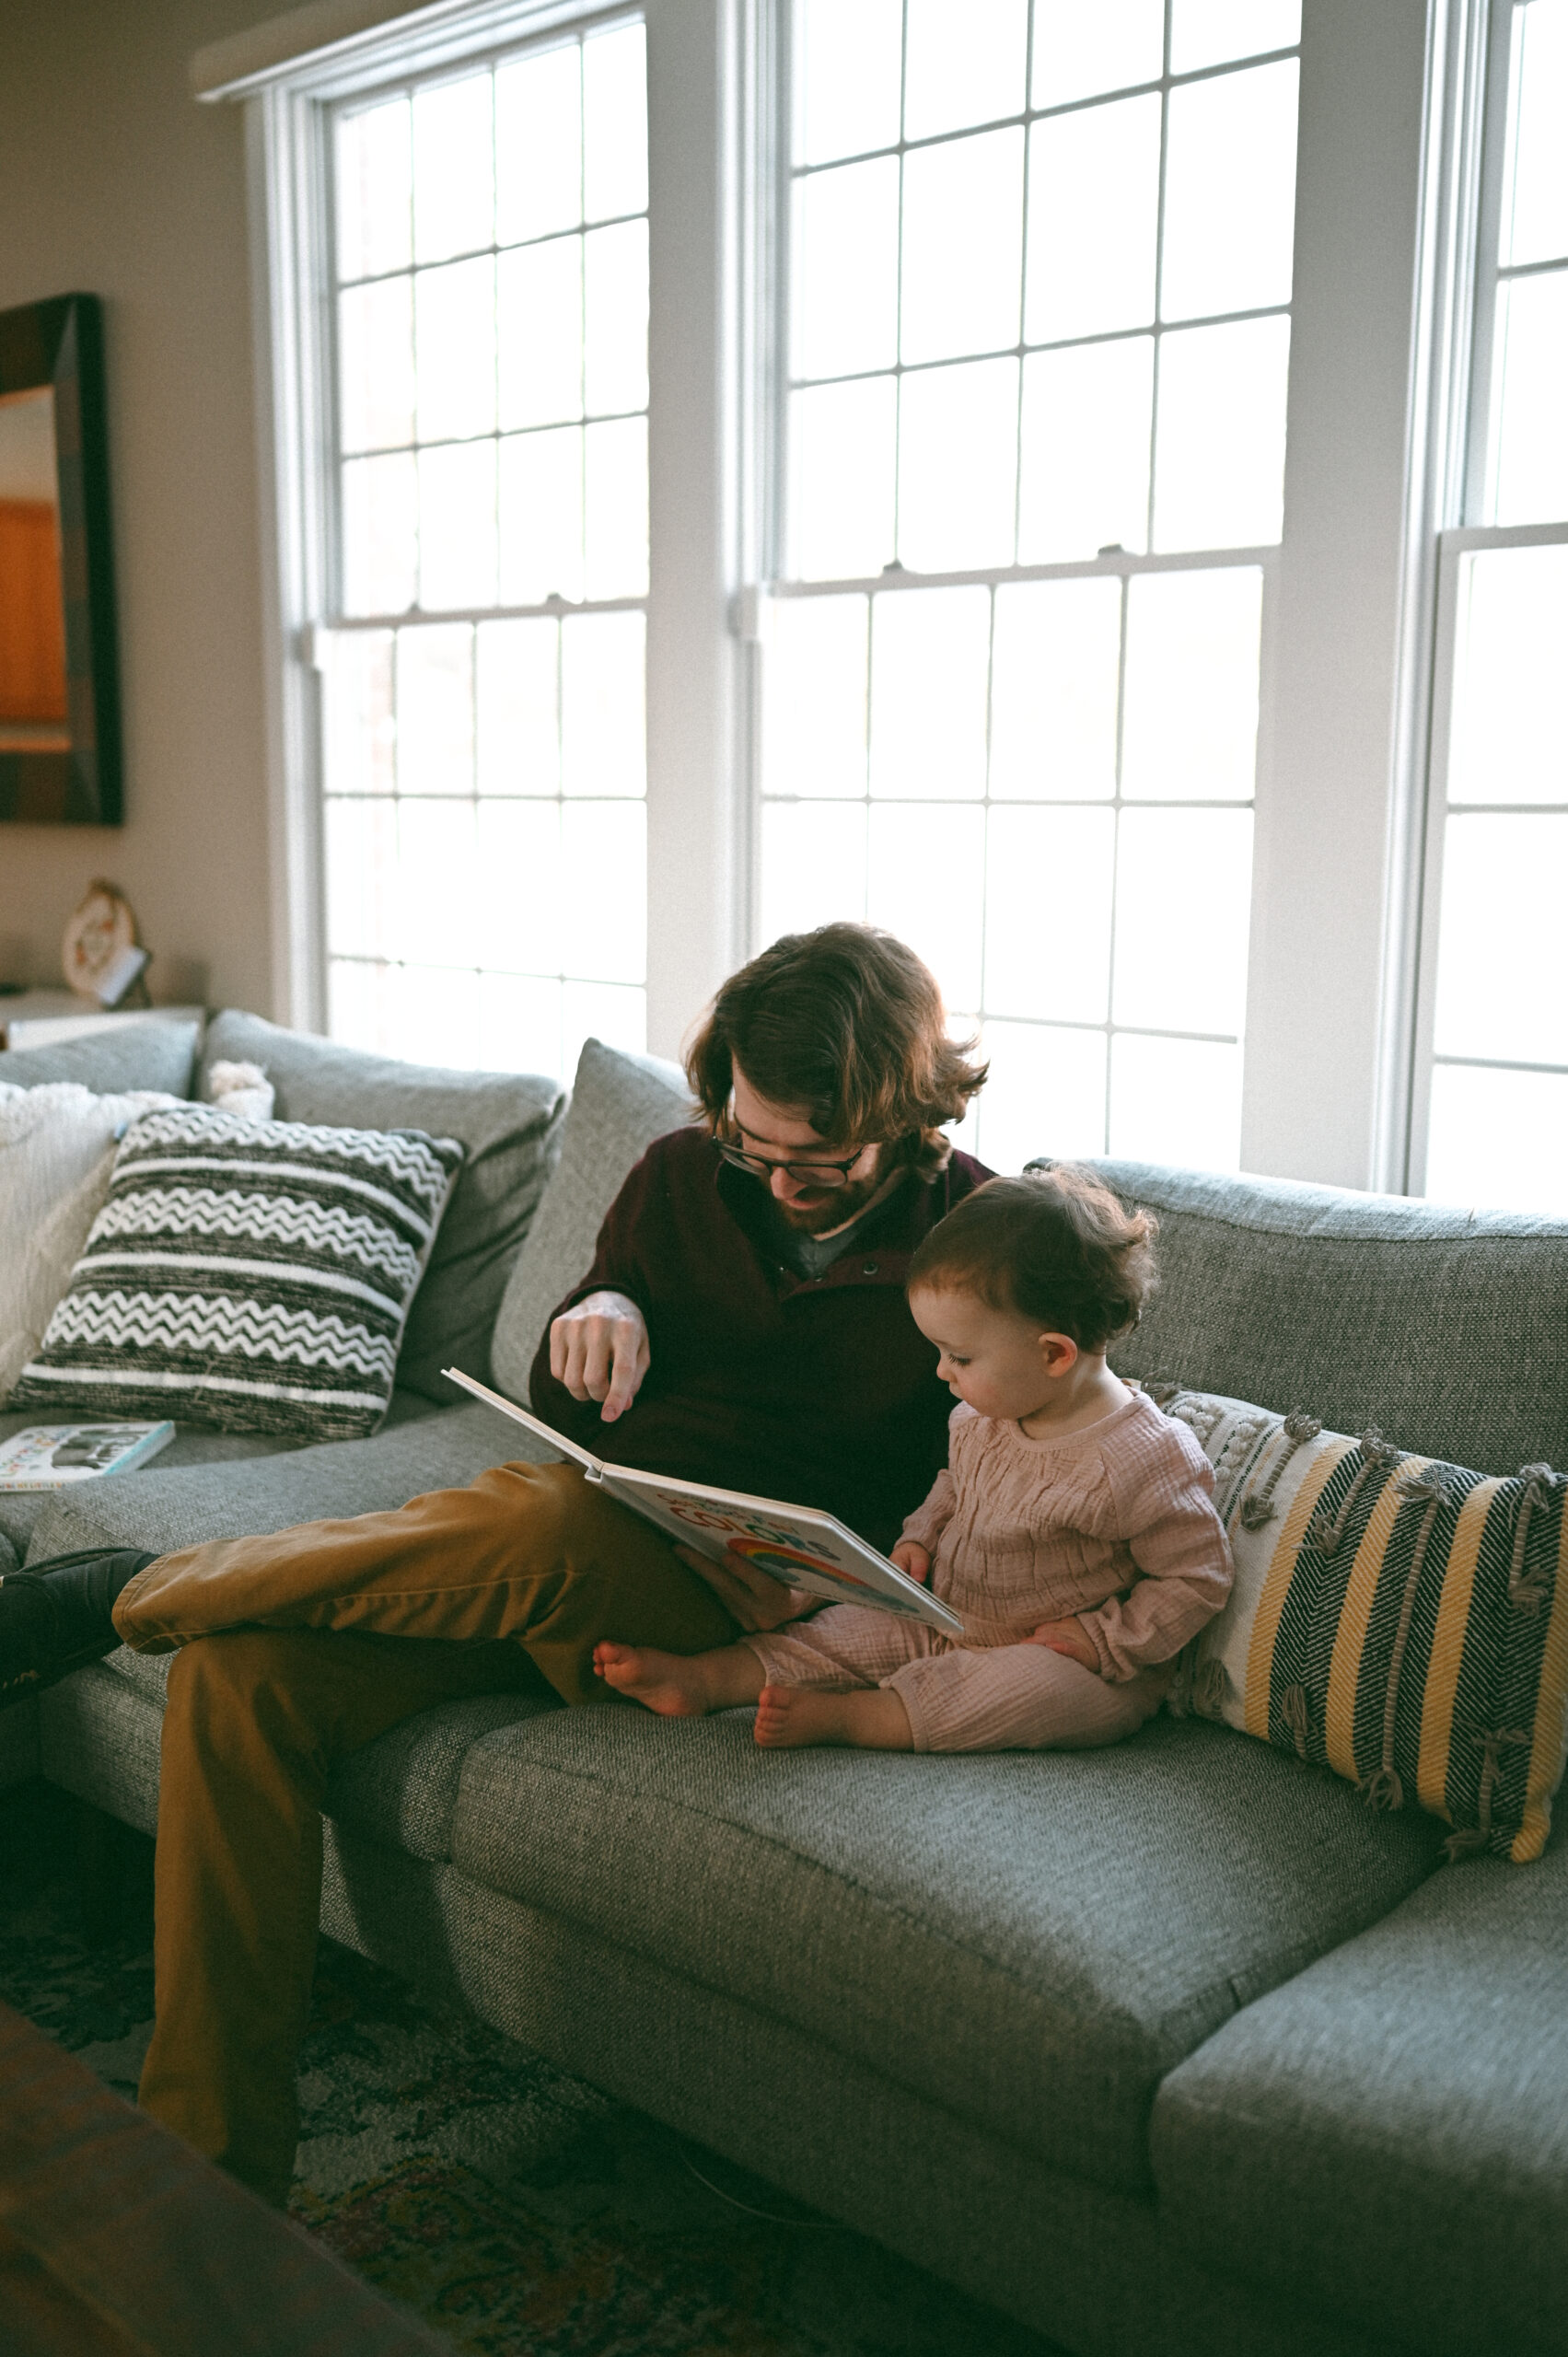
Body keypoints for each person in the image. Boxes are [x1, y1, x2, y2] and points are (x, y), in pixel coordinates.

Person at [0, 923, 989, 2205]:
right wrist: (602, 1314)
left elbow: (991, 1490)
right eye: (754, 1143)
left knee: (540, 1521)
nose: (776, 1178)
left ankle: (128, 1592)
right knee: (241, 1678)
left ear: (905, 1114)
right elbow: (567, 1414)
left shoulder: (977, 1238)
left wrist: (832, 1581)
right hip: (571, 1563)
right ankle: (212, 2176)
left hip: (742, 1611)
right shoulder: (684, 1177)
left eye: (820, 1161)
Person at [596, 1167, 1233, 1754]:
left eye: (958, 1357)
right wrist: (919, 1537)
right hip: (947, 1614)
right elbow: (954, 1486)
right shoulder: (980, 1415)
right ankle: (708, 1680)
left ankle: (856, 1719)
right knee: (841, 1633)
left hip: (1063, 1659)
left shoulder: (1141, 1458)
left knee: (1025, 1691)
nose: (940, 1372)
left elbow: (1196, 1577)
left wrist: (1103, 1641)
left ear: (1054, 1354)